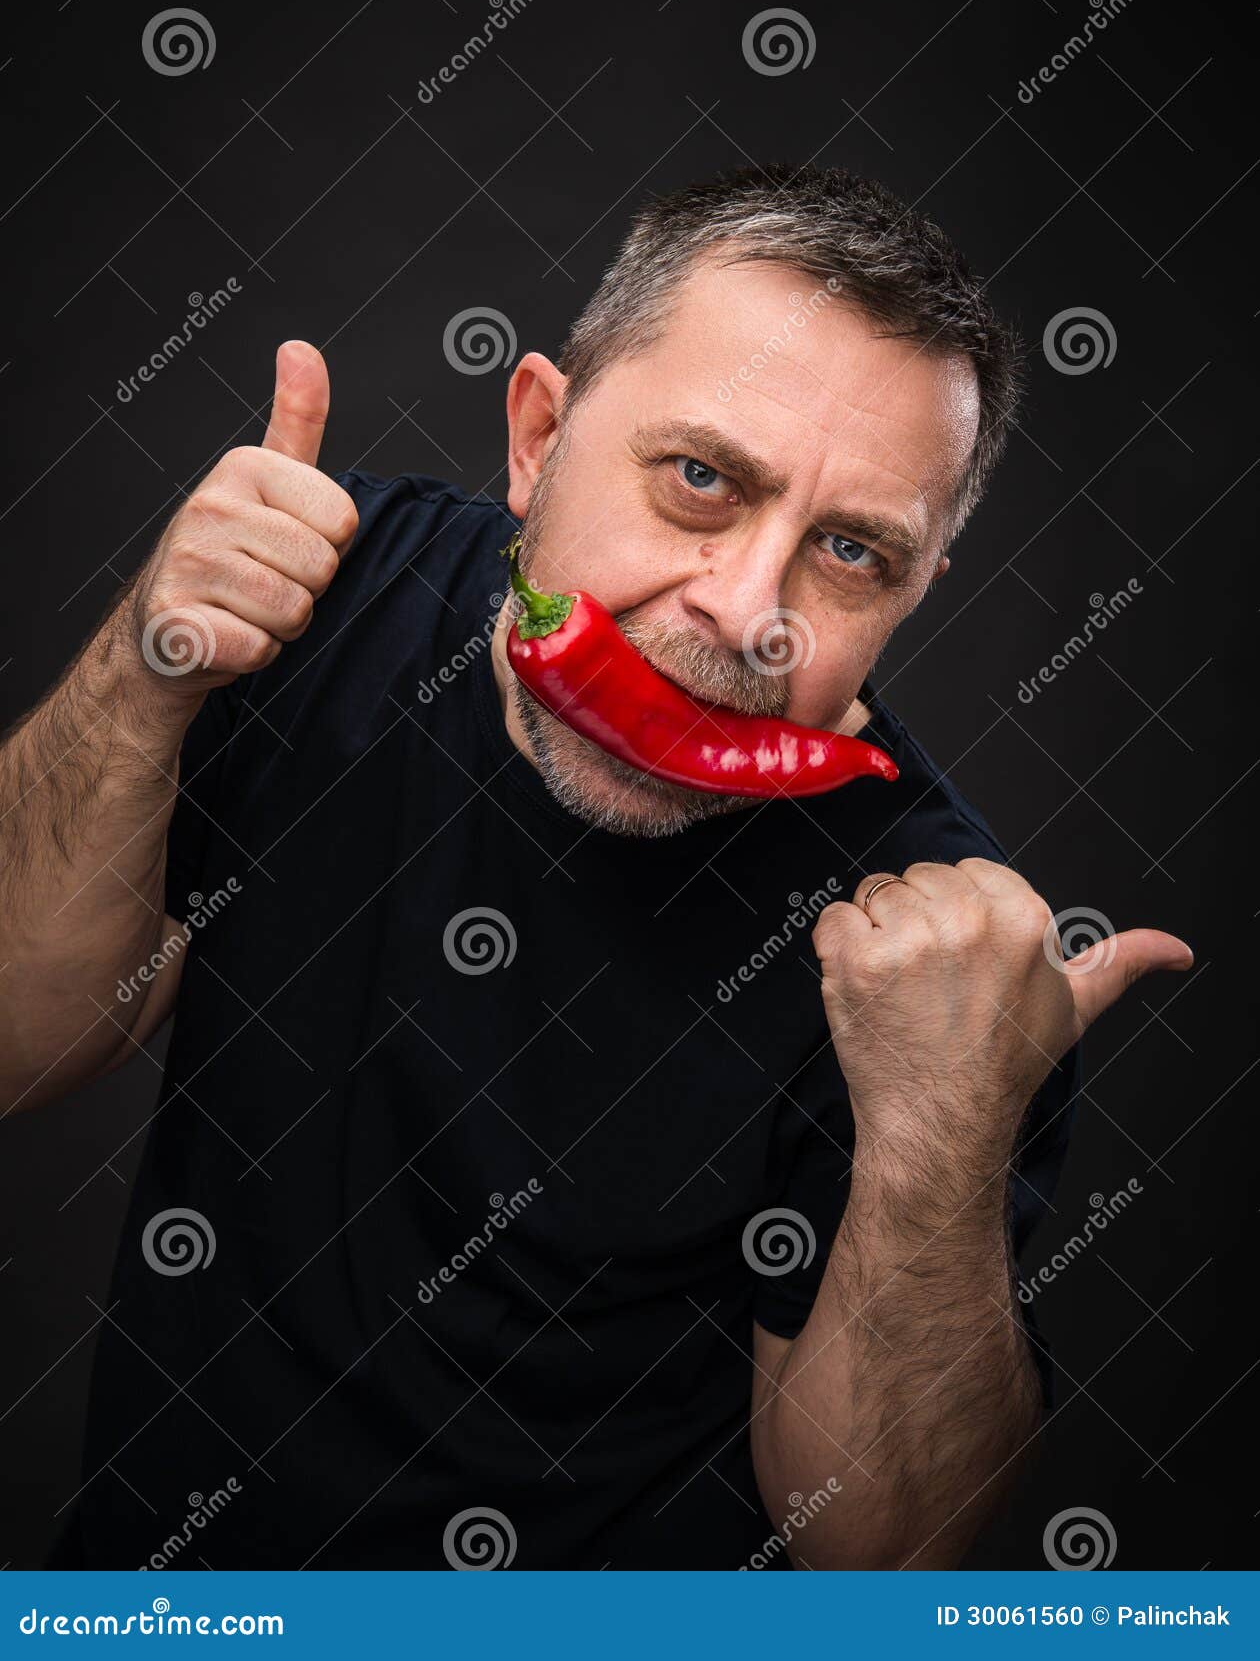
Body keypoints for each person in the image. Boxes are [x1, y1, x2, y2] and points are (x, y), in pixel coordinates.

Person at [0, 165, 1190, 1570]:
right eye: (701, 479)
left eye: (852, 551)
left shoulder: (942, 950)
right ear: (540, 434)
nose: (750, 613)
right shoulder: (323, 595)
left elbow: (888, 1552)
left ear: (919, 587)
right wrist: (143, 672)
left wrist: (938, 1138)